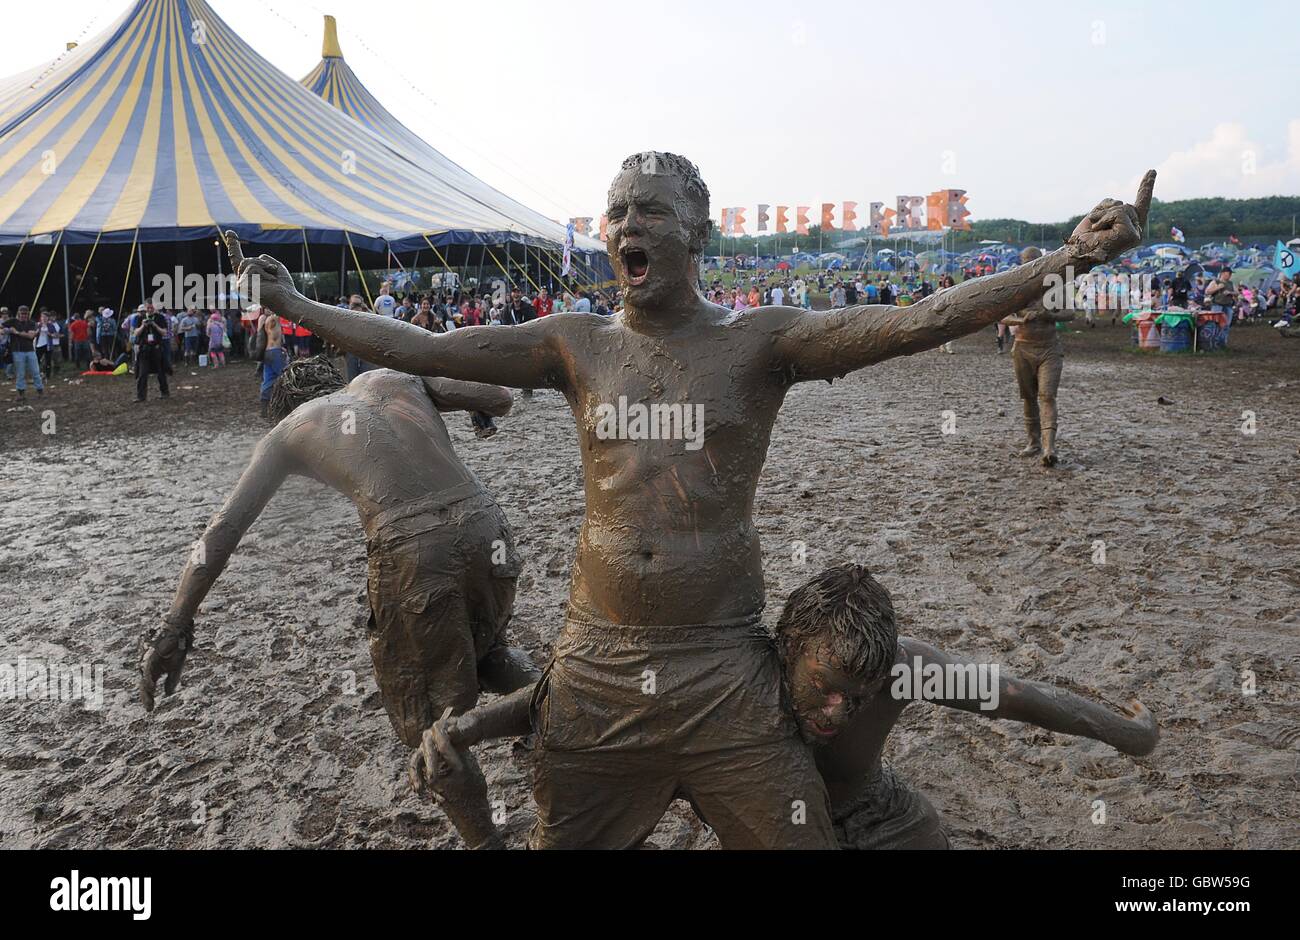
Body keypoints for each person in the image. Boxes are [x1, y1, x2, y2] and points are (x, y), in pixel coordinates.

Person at [226, 154, 1153, 849]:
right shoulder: (572, 342)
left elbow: (914, 321)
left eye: (653, 212)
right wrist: (302, 303)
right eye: (618, 211)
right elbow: (421, 348)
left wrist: (1063, 259)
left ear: (697, 232)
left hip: (723, 662)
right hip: (596, 666)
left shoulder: (764, 341)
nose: (630, 225)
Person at [413, 565, 1158, 850]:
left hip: (880, 819)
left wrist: (1124, 733)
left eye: (857, 696)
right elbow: (574, 700)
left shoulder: (904, 672)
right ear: (789, 646)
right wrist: (471, 725)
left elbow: (1015, 697)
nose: (836, 710)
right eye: (825, 686)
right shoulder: (737, 670)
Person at [138, 357, 533, 757]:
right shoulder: (389, 378)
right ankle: (552, 714)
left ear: (286, 407)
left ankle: (483, 816)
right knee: (487, 652)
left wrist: (174, 626)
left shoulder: (289, 429)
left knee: (427, 724)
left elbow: (220, 533)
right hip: (485, 521)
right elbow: (497, 397)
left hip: (414, 546)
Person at [1000, 247, 1075, 467]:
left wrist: (1049, 315)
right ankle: (1033, 442)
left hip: (1049, 348)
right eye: (1026, 261)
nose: (1030, 264)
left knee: (1047, 395)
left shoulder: (1055, 284)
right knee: (1028, 397)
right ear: (1021, 263)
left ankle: (1049, 447)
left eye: (1034, 260)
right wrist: (1020, 321)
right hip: (1023, 348)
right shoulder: (1015, 288)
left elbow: (1071, 313)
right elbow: (1002, 316)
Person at [4, 305, 45, 399]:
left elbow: (31, 336)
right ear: (18, 313)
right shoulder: (13, 321)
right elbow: (2, 327)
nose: (24, 315)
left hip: (30, 350)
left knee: (35, 372)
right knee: (20, 373)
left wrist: (16, 332)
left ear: (28, 314)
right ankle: (21, 394)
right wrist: (5, 330)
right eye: (22, 313)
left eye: (25, 314)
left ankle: (40, 391)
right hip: (17, 351)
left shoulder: (31, 323)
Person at [132, 305, 170, 401]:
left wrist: (155, 325)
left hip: (156, 348)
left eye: (151, 308)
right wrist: (143, 326)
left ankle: (165, 393)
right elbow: (136, 333)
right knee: (142, 373)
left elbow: (164, 332)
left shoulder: (160, 318)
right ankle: (141, 396)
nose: (149, 310)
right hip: (144, 349)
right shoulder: (139, 318)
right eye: (147, 308)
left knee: (161, 372)